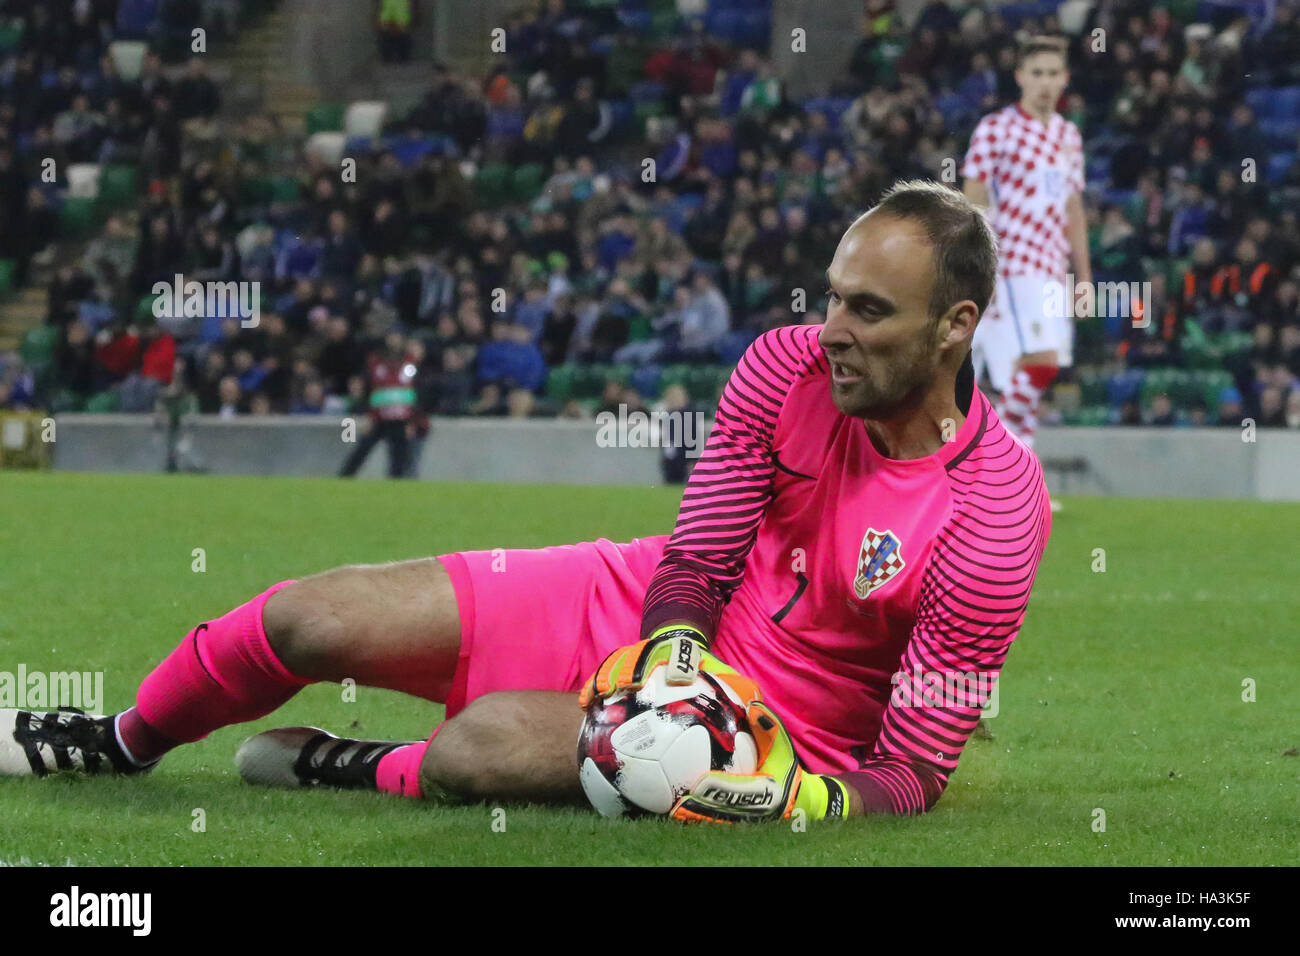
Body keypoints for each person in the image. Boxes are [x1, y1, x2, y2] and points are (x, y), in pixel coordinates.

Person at [1, 182, 1051, 822]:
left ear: (955, 326)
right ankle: (120, 738)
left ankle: (356, 765)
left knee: (480, 748)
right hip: (642, 607)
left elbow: (913, 768)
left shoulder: (996, 511)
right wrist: (670, 654)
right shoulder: (785, 366)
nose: (831, 327)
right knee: (305, 615)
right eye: (830, 295)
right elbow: (698, 558)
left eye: (867, 310)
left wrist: (788, 793)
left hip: (774, 728)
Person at [962, 35, 1092, 463]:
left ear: (1066, 79)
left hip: (1052, 269)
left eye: (1053, 74)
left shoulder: (1068, 136)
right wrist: (981, 262)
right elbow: (973, 196)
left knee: (1028, 372)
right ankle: (1004, 461)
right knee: (1041, 363)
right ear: (1020, 77)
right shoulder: (996, 129)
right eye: (1036, 73)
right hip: (1012, 265)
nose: (1045, 82)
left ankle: (1011, 466)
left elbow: (1073, 209)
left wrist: (1084, 278)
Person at [339, 329, 419, 479]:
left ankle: (395, 484)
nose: (394, 340)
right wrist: (369, 414)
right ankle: (345, 477)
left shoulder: (410, 361)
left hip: (400, 417)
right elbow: (370, 389)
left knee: (398, 455)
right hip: (379, 417)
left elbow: (414, 392)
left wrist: (411, 420)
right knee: (363, 449)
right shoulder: (375, 361)